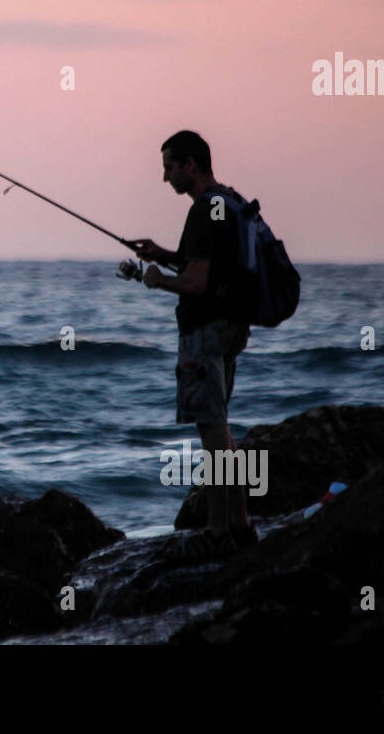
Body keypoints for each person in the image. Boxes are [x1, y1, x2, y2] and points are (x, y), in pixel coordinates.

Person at [124, 130, 257, 560]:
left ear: (190, 165)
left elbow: (196, 283)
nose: (166, 178)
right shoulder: (226, 201)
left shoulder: (203, 211)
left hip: (204, 333)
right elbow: (206, 266)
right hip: (233, 328)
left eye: (169, 167)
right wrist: (161, 254)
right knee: (222, 428)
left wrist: (158, 280)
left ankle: (218, 532)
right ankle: (240, 526)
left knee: (212, 432)